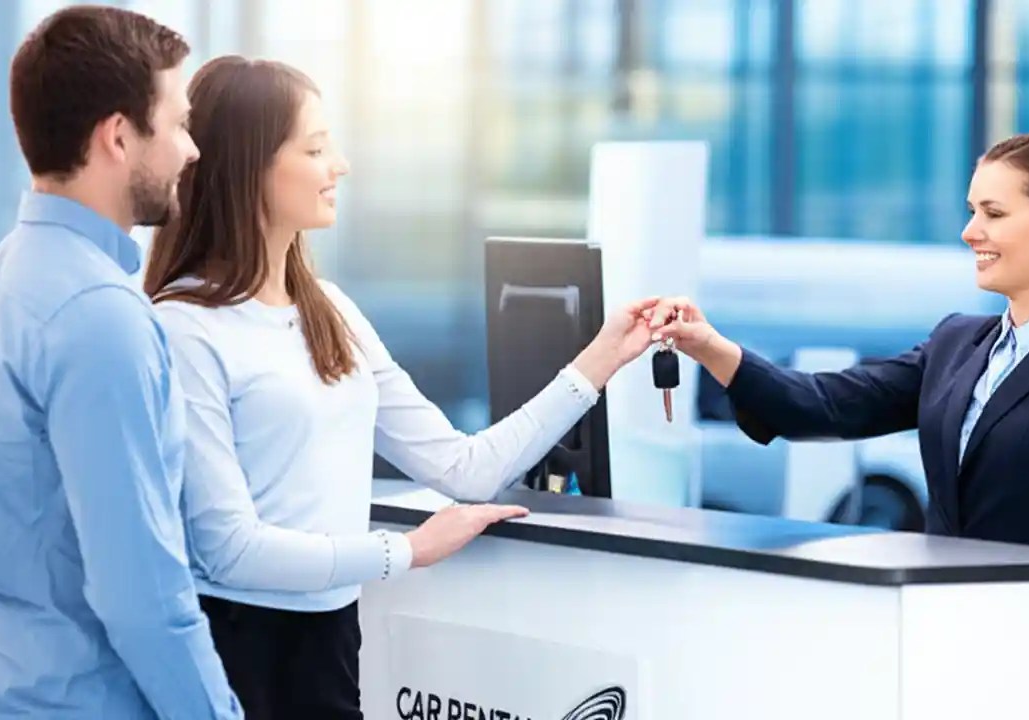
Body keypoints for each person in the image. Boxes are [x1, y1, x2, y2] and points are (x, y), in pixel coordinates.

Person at [142, 56, 658, 719]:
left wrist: (598, 361)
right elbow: (229, 548)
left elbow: (462, 467)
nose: (341, 166)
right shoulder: (184, 328)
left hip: (328, 642)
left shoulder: (330, 309)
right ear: (252, 167)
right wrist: (406, 550)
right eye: (316, 147)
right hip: (235, 648)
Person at [647, 131, 1029, 615]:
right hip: (935, 645)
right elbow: (821, 404)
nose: (970, 232)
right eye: (971, 211)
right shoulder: (956, 343)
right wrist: (709, 346)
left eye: (993, 213)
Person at [0, 7, 241, 719]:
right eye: (179, 123)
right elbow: (143, 598)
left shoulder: (3, 278)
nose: (192, 149)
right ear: (118, 136)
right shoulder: (100, 317)